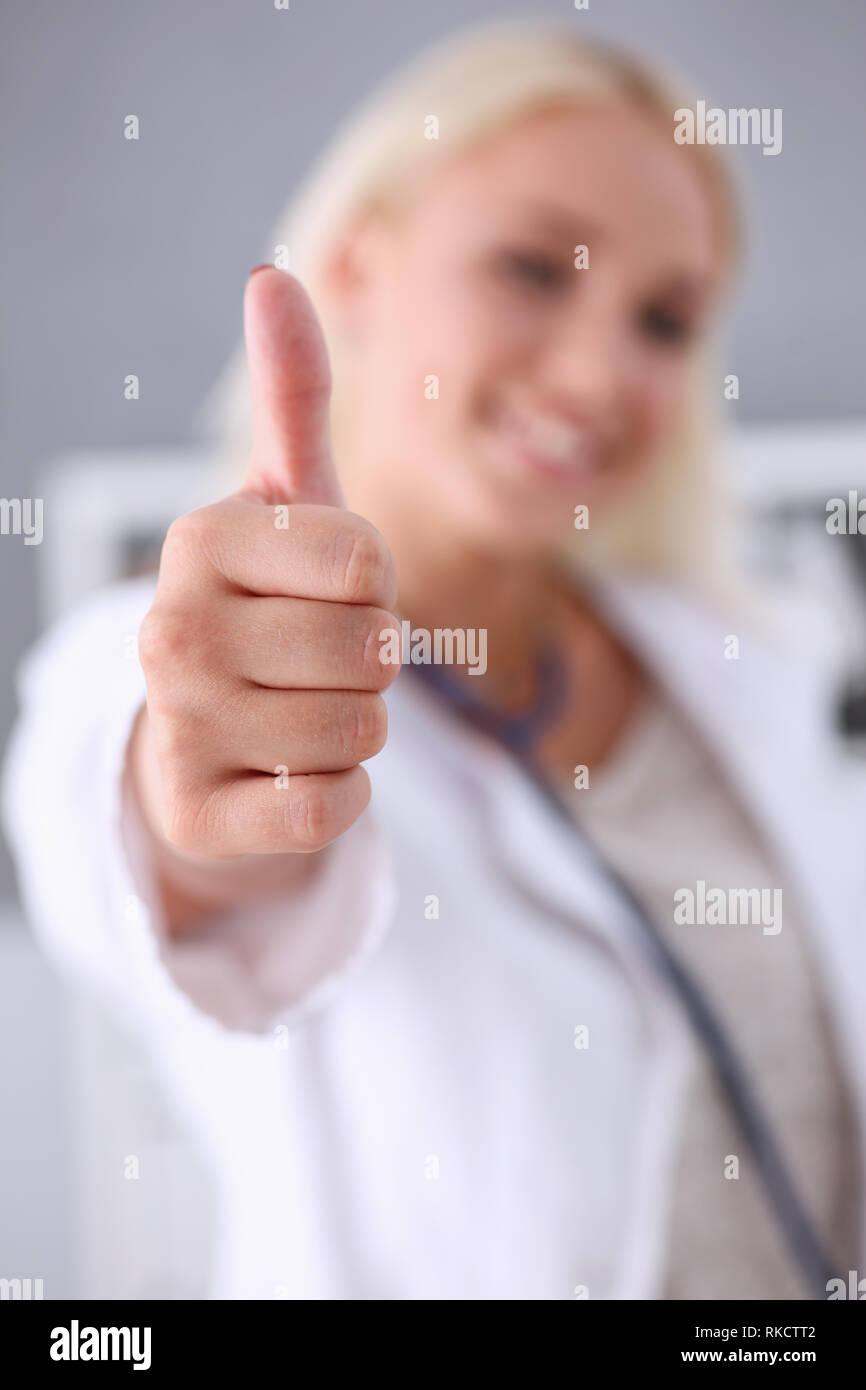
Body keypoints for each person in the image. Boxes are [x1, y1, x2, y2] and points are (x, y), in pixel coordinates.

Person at [3, 20, 865, 1301]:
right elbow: (163, 843)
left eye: (664, 319)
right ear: (354, 265)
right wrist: (217, 792)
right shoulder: (154, 662)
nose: (595, 370)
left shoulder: (754, 658)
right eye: (530, 267)